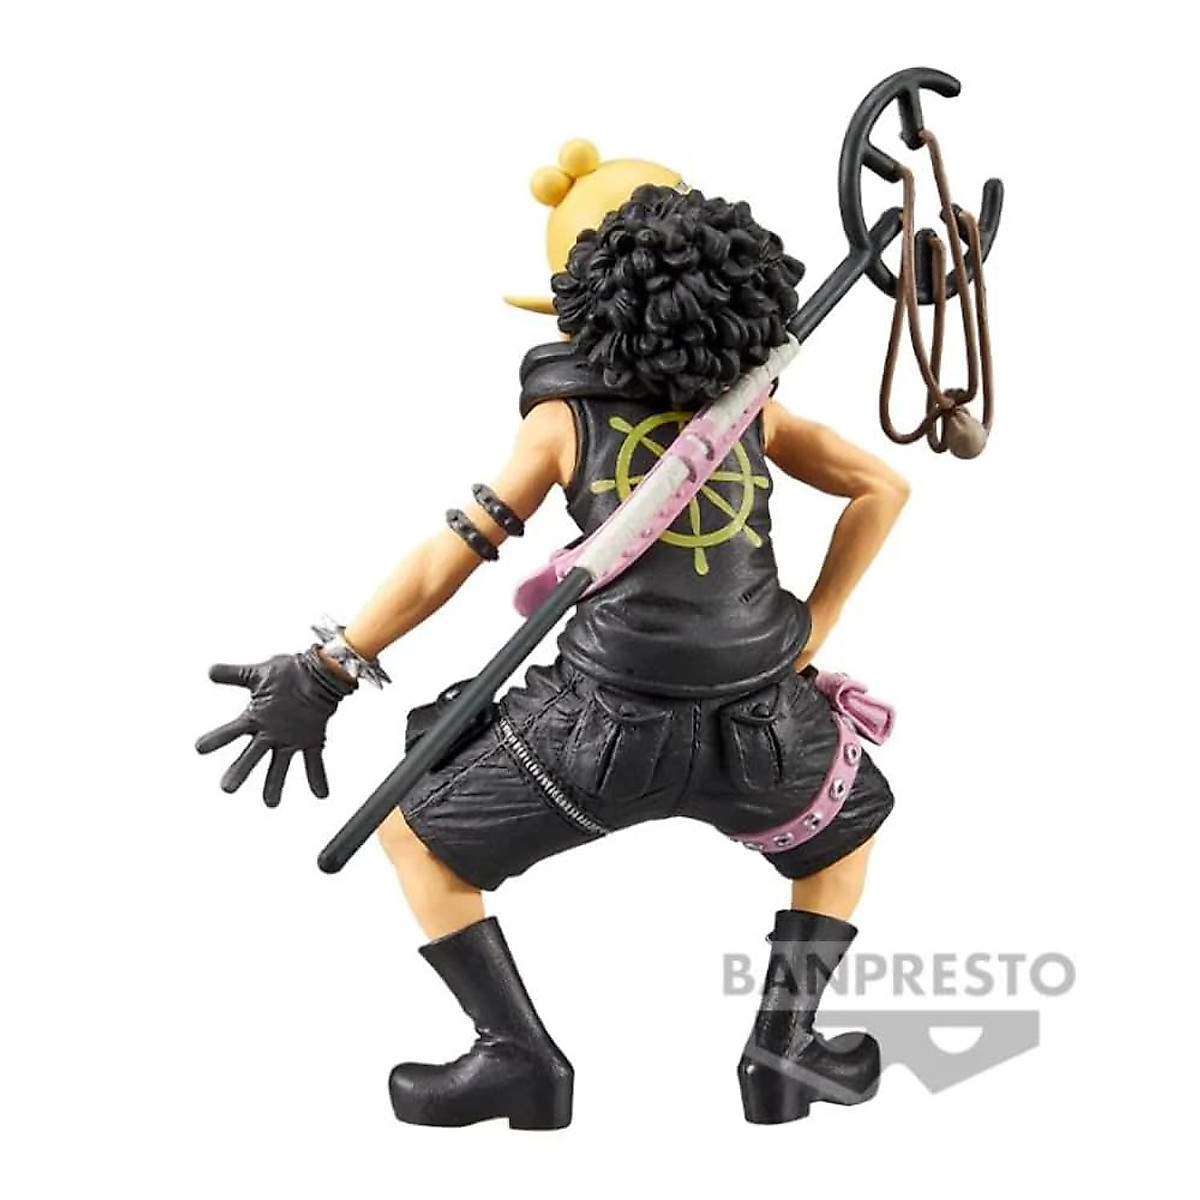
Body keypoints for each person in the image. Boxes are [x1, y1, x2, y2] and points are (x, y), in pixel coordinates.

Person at [197, 140, 910, 1129]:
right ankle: (786, 1050)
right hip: (767, 725)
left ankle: (517, 1058)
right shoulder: (760, 414)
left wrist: (329, 668)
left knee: (415, 837)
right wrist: (809, 627)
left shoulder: (564, 422)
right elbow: (883, 486)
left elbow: (446, 561)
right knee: (847, 825)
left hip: (597, 734)